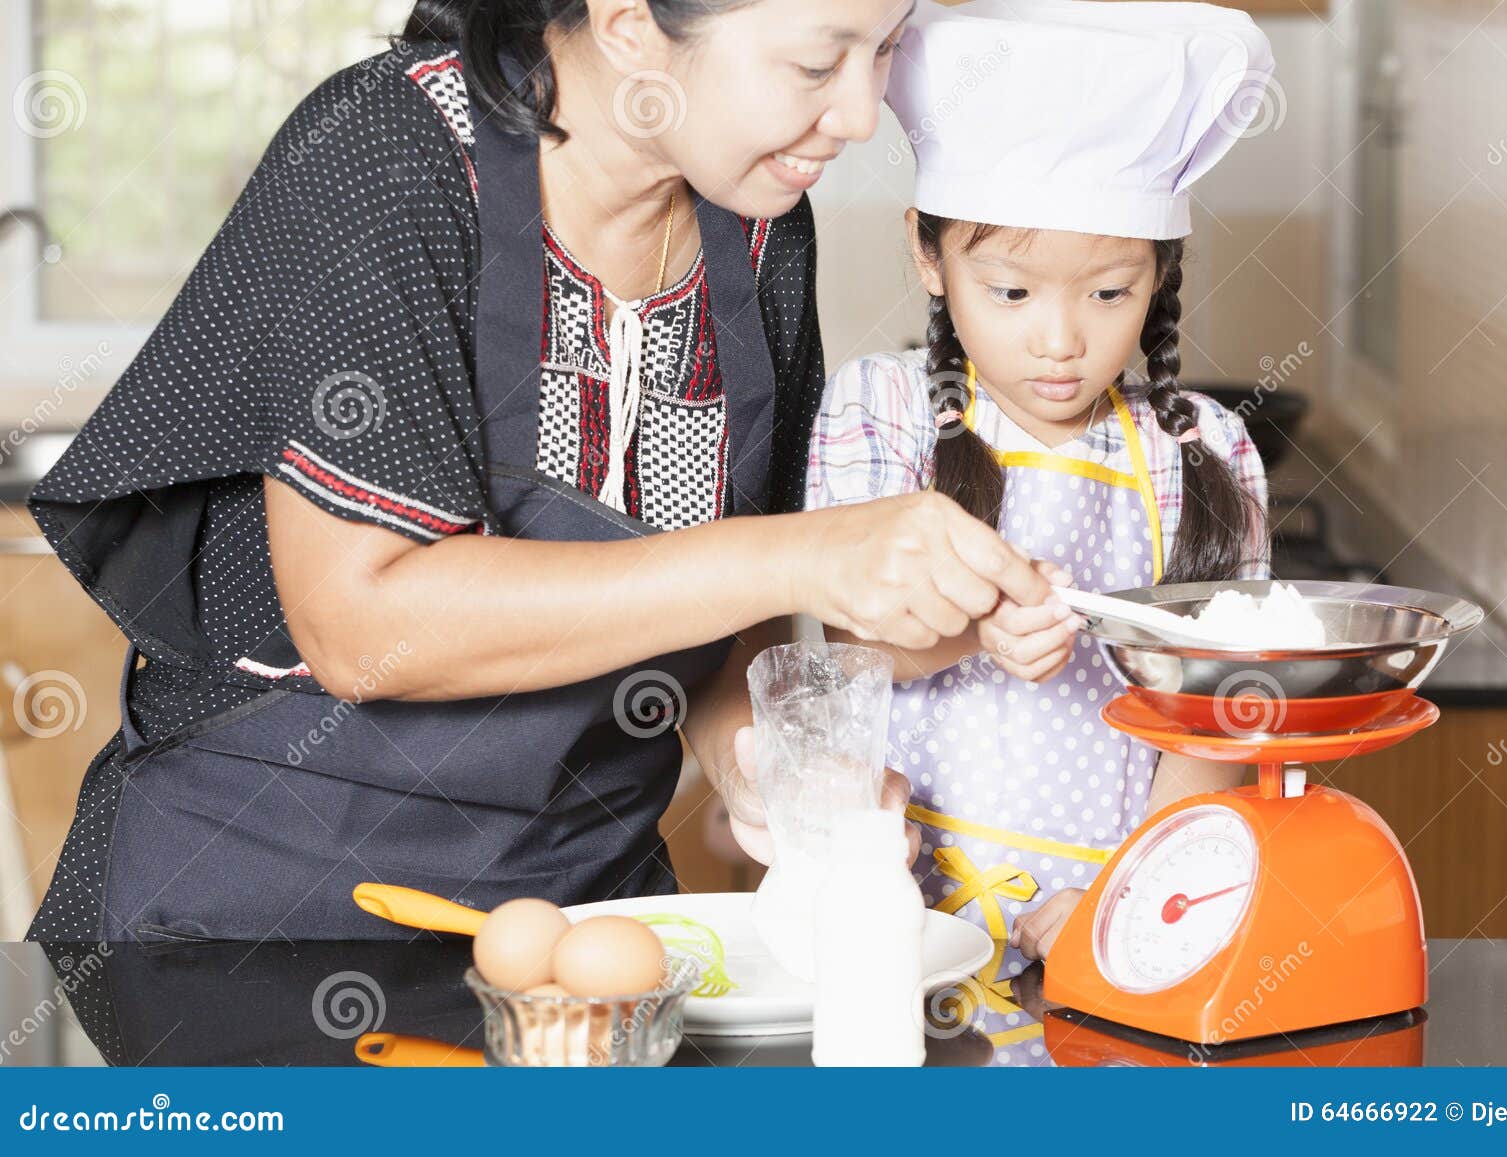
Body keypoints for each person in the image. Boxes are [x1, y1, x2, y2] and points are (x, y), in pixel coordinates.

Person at [25, 0, 1051, 941]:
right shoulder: (388, 158)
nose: (862, 115)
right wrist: (802, 554)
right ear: (629, 28)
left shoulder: (760, 226)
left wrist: (768, 772)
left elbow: (723, 619)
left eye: (881, 53)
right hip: (254, 915)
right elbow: (361, 623)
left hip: (579, 922)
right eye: (815, 61)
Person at [802, 0, 1274, 1055]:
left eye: (1111, 291)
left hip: (1107, 945)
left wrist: (1125, 921)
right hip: (896, 934)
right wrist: (973, 632)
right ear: (929, 259)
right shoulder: (878, 410)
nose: (1059, 340)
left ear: (1158, 274)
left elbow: (1211, 728)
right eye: (1008, 289)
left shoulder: (1201, 450)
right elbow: (853, 652)